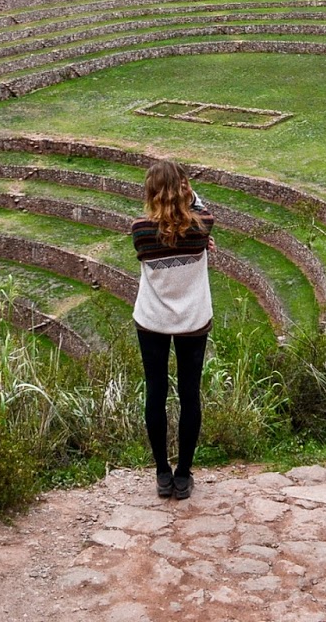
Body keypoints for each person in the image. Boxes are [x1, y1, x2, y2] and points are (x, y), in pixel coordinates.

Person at [130, 160, 215, 501]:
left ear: (150, 192)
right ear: (184, 189)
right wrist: (187, 193)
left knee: (156, 392)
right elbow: (199, 207)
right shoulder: (203, 227)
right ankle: (184, 474)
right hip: (193, 319)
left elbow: (161, 237)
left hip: (153, 319)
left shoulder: (140, 230)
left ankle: (162, 473)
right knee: (190, 394)